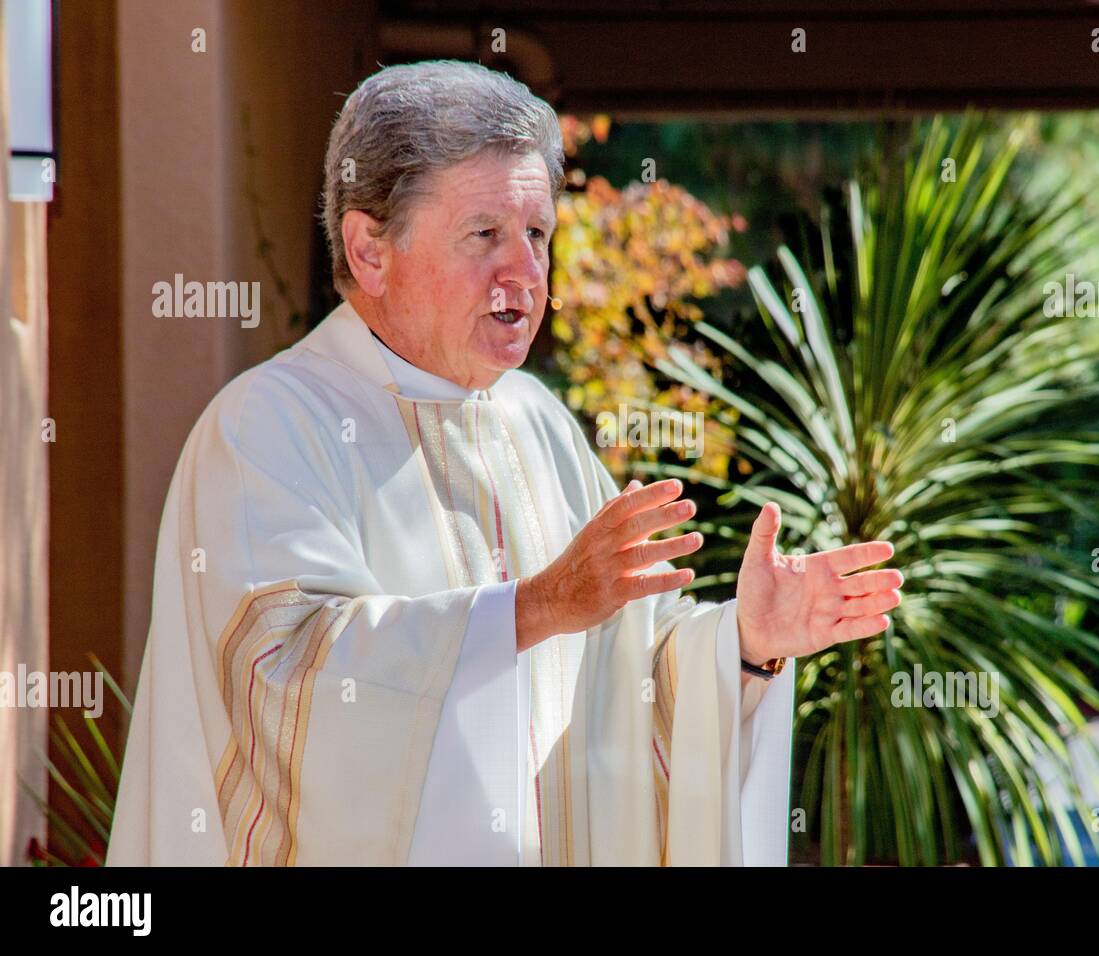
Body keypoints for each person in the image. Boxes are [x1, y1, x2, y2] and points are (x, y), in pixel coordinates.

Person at [106, 60, 903, 866]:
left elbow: (623, 676)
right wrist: (534, 607)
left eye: (537, 235)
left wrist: (743, 641)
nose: (524, 272)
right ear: (369, 249)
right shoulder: (267, 427)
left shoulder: (538, 425)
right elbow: (290, 679)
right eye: (484, 234)